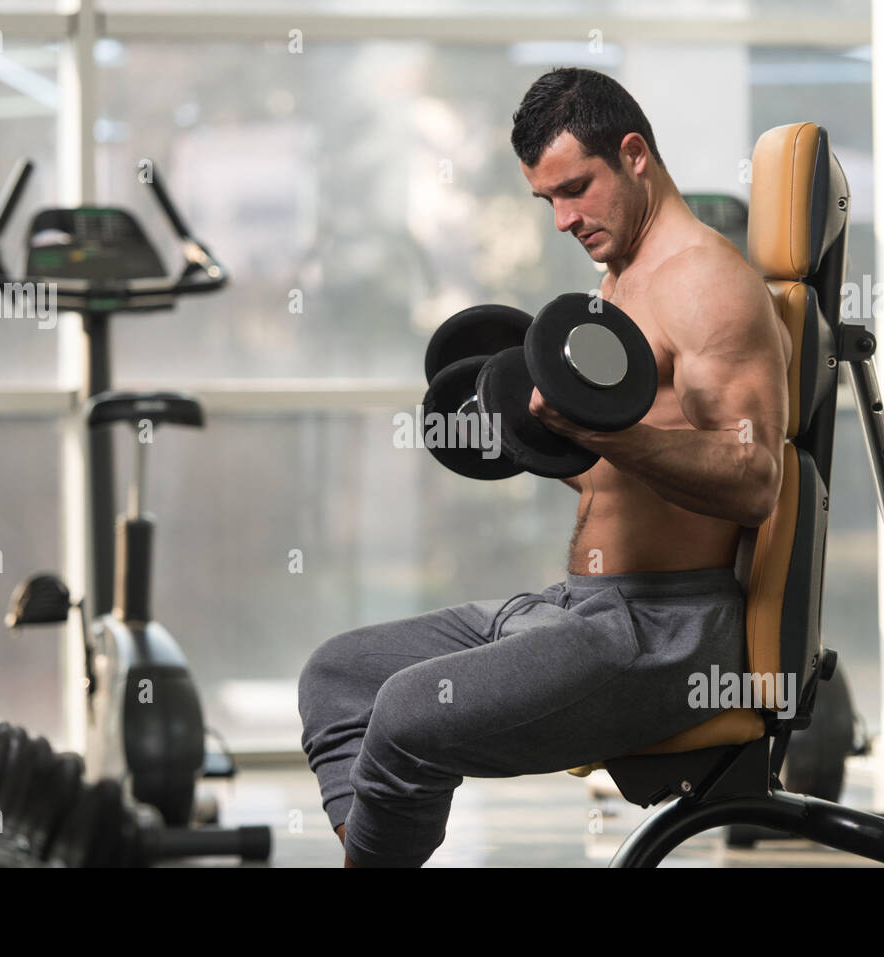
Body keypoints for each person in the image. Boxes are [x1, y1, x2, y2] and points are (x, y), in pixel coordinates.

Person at [298, 66, 790, 868]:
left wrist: (607, 435)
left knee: (409, 712)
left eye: (575, 189)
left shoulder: (706, 282)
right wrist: (529, 433)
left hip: (663, 633)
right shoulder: (622, 278)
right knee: (340, 675)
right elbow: (618, 475)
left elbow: (753, 477)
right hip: (580, 607)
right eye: (546, 201)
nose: (563, 219)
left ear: (634, 154)